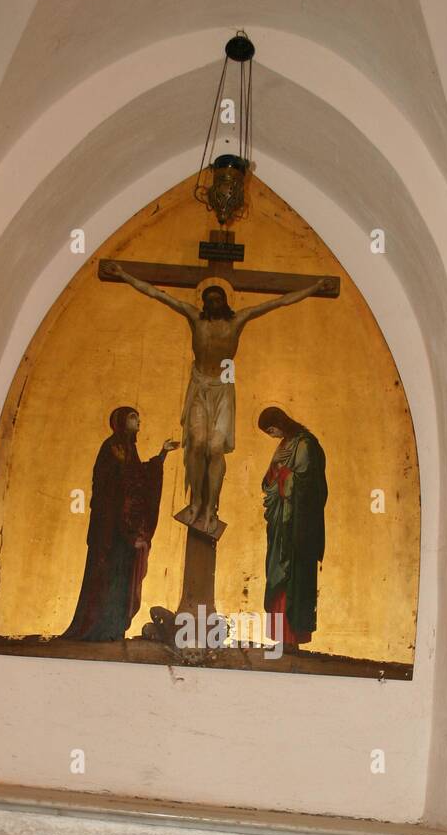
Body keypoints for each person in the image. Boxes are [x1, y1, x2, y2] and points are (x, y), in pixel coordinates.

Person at [104, 260, 334, 537]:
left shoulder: (238, 320)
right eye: (209, 299)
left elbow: (281, 302)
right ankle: (196, 503)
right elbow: (156, 293)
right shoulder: (193, 316)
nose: (213, 302)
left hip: (223, 388)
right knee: (198, 444)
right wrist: (124, 275)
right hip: (200, 386)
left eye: (218, 298)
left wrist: (314, 287)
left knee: (215, 449)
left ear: (225, 301)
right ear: (204, 303)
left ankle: (211, 508)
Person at [62, 407, 178, 641]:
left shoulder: (128, 448)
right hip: (111, 530)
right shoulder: (112, 447)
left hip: (122, 530)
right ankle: (98, 628)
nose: (138, 422)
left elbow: (137, 478)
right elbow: (111, 486)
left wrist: (162, 455)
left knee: (119, 578)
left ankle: (112, 629)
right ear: (122, 421)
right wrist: (127, 525)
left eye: (138, 418)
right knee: (108, 577)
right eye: (134, 418)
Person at [258, 406, 328, 651]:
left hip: (298, 527)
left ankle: (291, 639)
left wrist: (284, 477)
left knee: (293, 579)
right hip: (280, 525)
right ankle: (279, 637)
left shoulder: (305, 444)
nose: (273, 436)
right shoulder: (285, 444)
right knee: (276, 576)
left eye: (272, 430)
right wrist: (271, 478)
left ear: (280, 423)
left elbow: (307, 484)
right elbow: (269, 481)